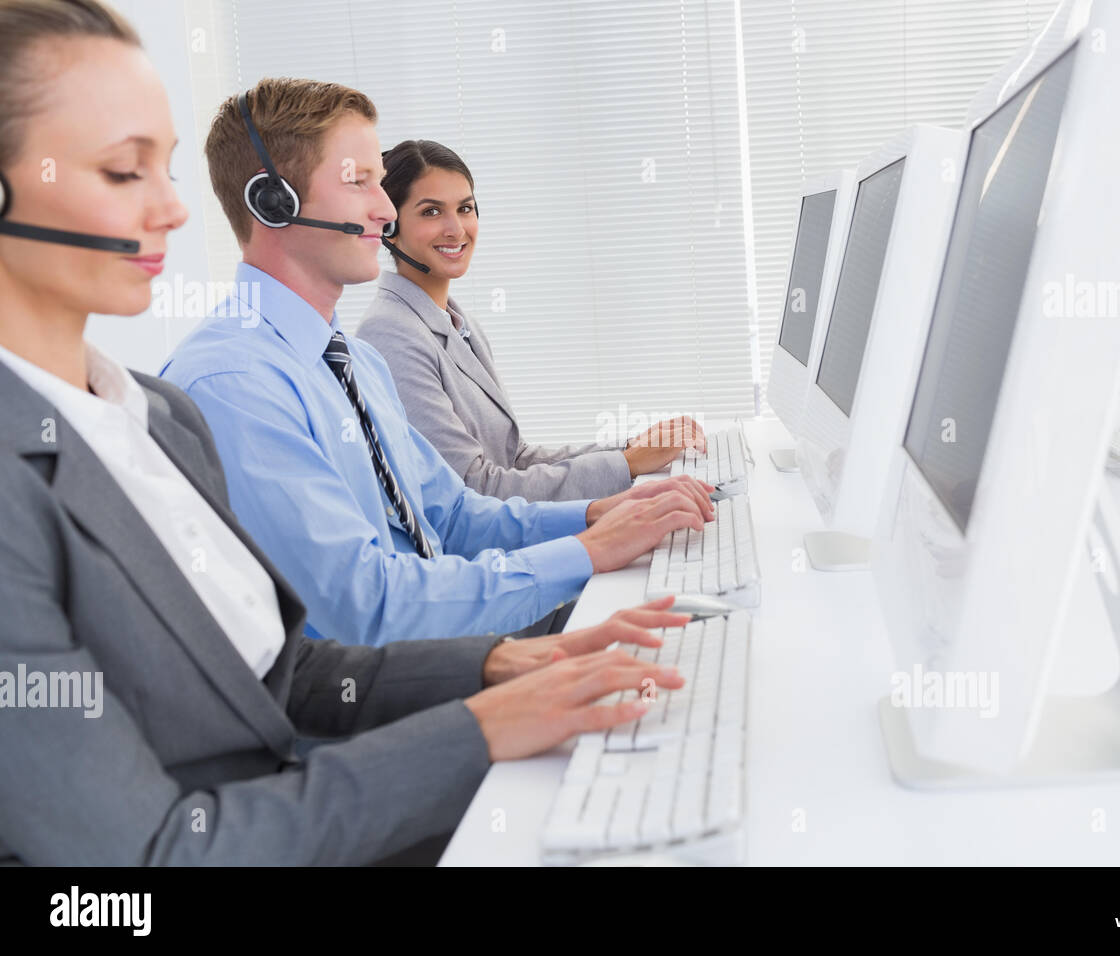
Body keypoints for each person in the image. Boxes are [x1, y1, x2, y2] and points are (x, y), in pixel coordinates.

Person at [0, 0, 685, 866]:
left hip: (336, 766)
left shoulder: (154, 417)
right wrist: (476, 729)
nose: (173, 211)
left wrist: (494, 667)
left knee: (670, 764)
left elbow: (281, 671)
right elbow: (142, 865)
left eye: (166, 169)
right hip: (282, 823)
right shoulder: (216, 390)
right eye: (122, 171)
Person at [161, 77, 716, 646]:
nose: (383, 211)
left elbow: (453, 516)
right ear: (272, 203)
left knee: (696, 628)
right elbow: (366, 606)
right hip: (383, 697)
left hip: (445, 648)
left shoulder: (354, 364)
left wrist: (600, 513)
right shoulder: (234, 385)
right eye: (360, 183)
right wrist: (585, 553)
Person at [358, 138, 708, 502]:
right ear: (389, 226)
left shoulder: (458, 324)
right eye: (431, 212)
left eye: (465, 208)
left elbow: (514, 459)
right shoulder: (391, 334)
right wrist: (628, 463)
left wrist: (630, 448)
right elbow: (475, 488)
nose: (456, 229)